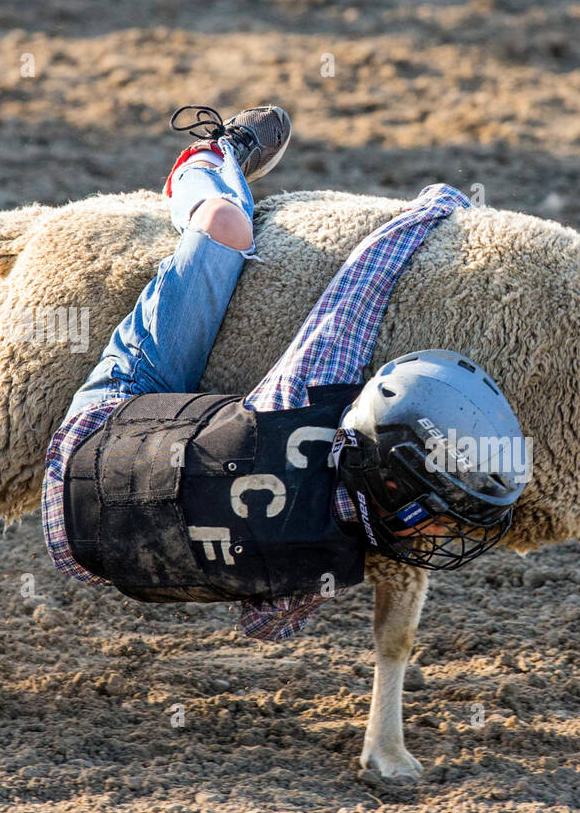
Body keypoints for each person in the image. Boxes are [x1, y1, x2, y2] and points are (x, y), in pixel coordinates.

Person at [36, 104, 528, 641]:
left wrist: (437, 204)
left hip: (94, 434)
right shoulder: (322, 568)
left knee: (223, 224)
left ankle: (206, 162)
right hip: (89, 556)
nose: (441, 528)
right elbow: (263, 626)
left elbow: (356, 293)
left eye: (434, 512)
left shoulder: (296, 405)